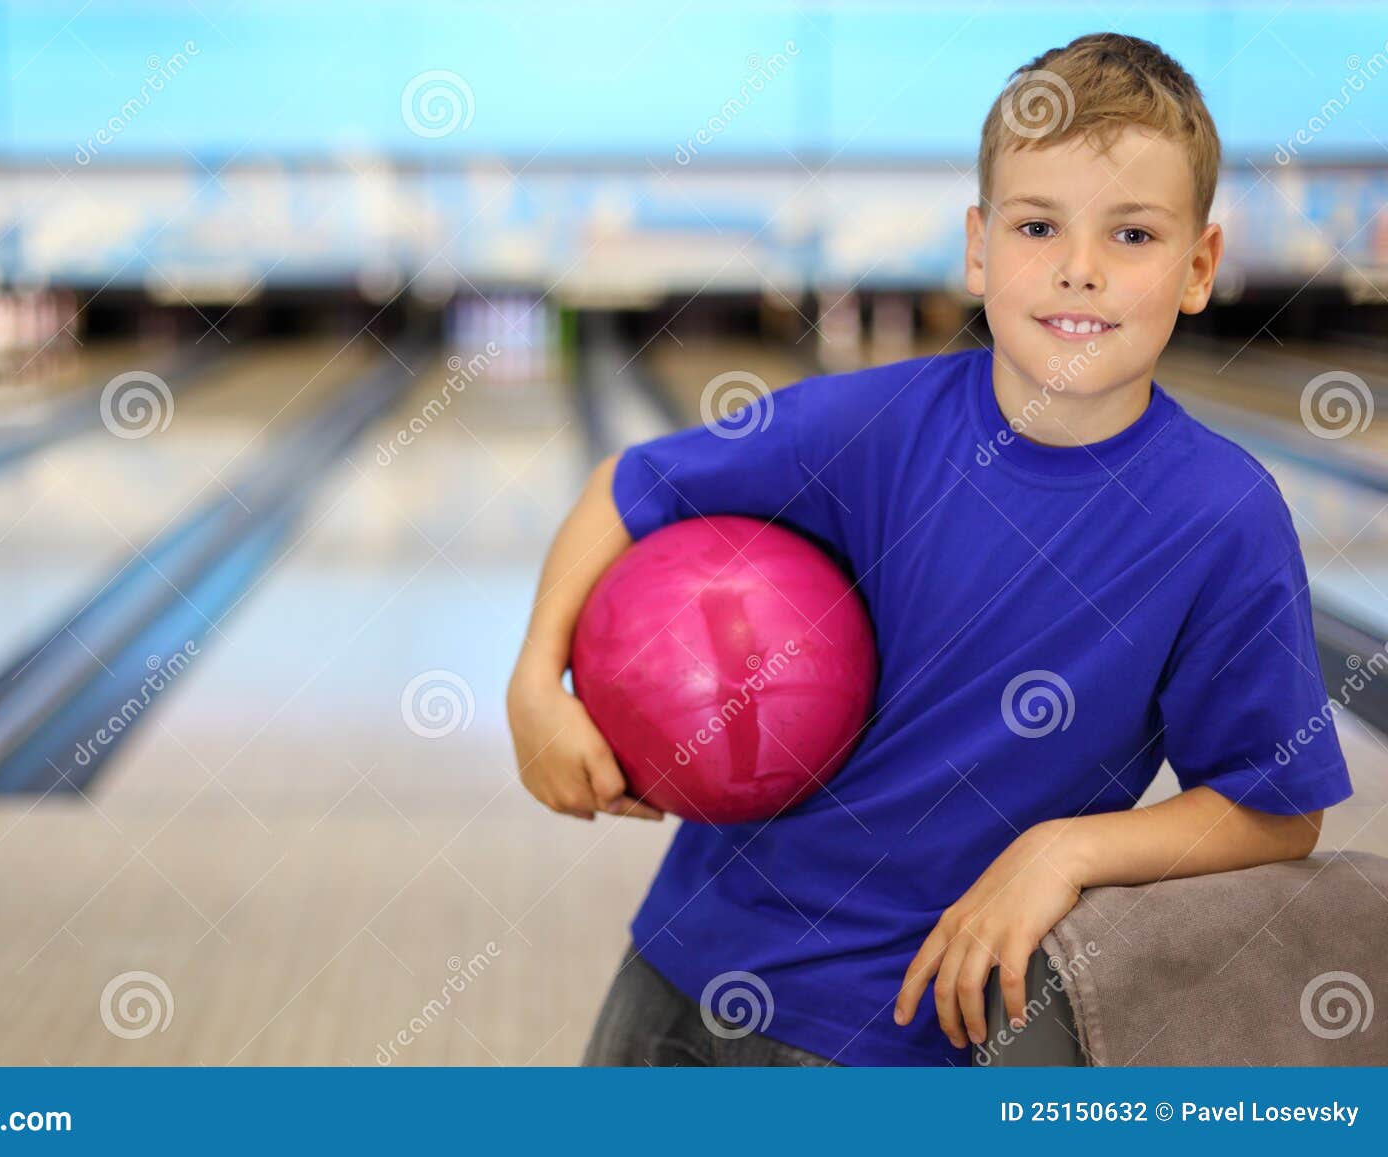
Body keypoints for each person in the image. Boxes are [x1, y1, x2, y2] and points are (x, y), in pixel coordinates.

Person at [506, 31, 1354, 1067]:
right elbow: (632, 484)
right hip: (683, 960)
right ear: (977, 247)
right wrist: (533, 684)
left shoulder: (1221, 516)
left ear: (1199, 266)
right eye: (1038, 225)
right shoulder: (872, 423)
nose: (1080, 270)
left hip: (903, 1036)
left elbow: (1276, 808)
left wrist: (1065, 849)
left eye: (1132, 236)